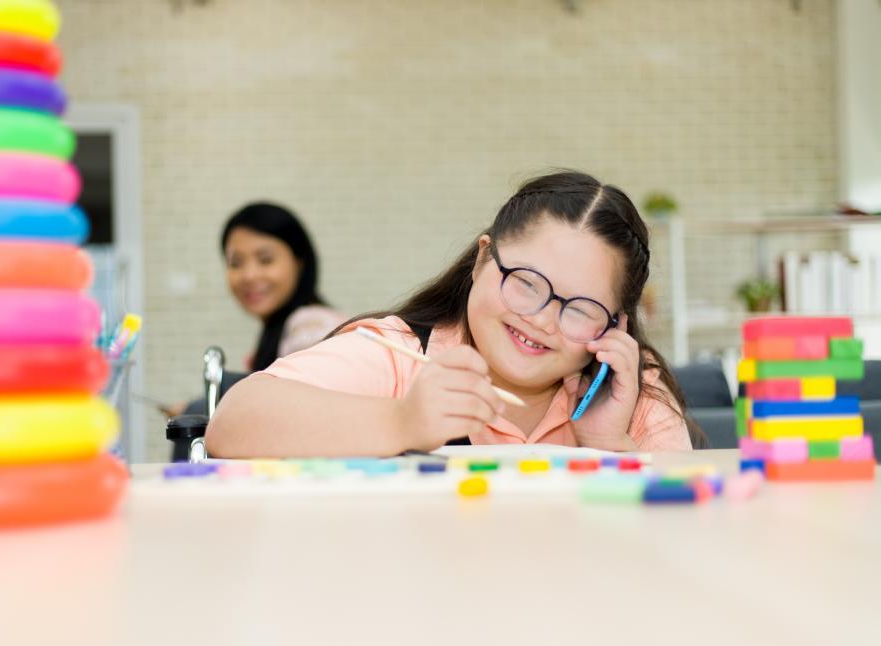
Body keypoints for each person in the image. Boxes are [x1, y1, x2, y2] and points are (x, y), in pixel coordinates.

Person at [205, 171, 706, 458]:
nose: (541, 319)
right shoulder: (400, 354)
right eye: (526, 283)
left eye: (581, 309)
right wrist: (403, 420)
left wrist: (608, 446)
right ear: (483, 258)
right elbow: (230, 425)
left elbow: (692, 543)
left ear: (614, 326)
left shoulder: (631, 393)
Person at [165, 202, 346, 418]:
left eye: (265, 260)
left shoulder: (311, 326)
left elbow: (299, 414)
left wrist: (197, 411)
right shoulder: (282, 329)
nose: (249, 275)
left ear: (299, 262)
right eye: (236, 263)